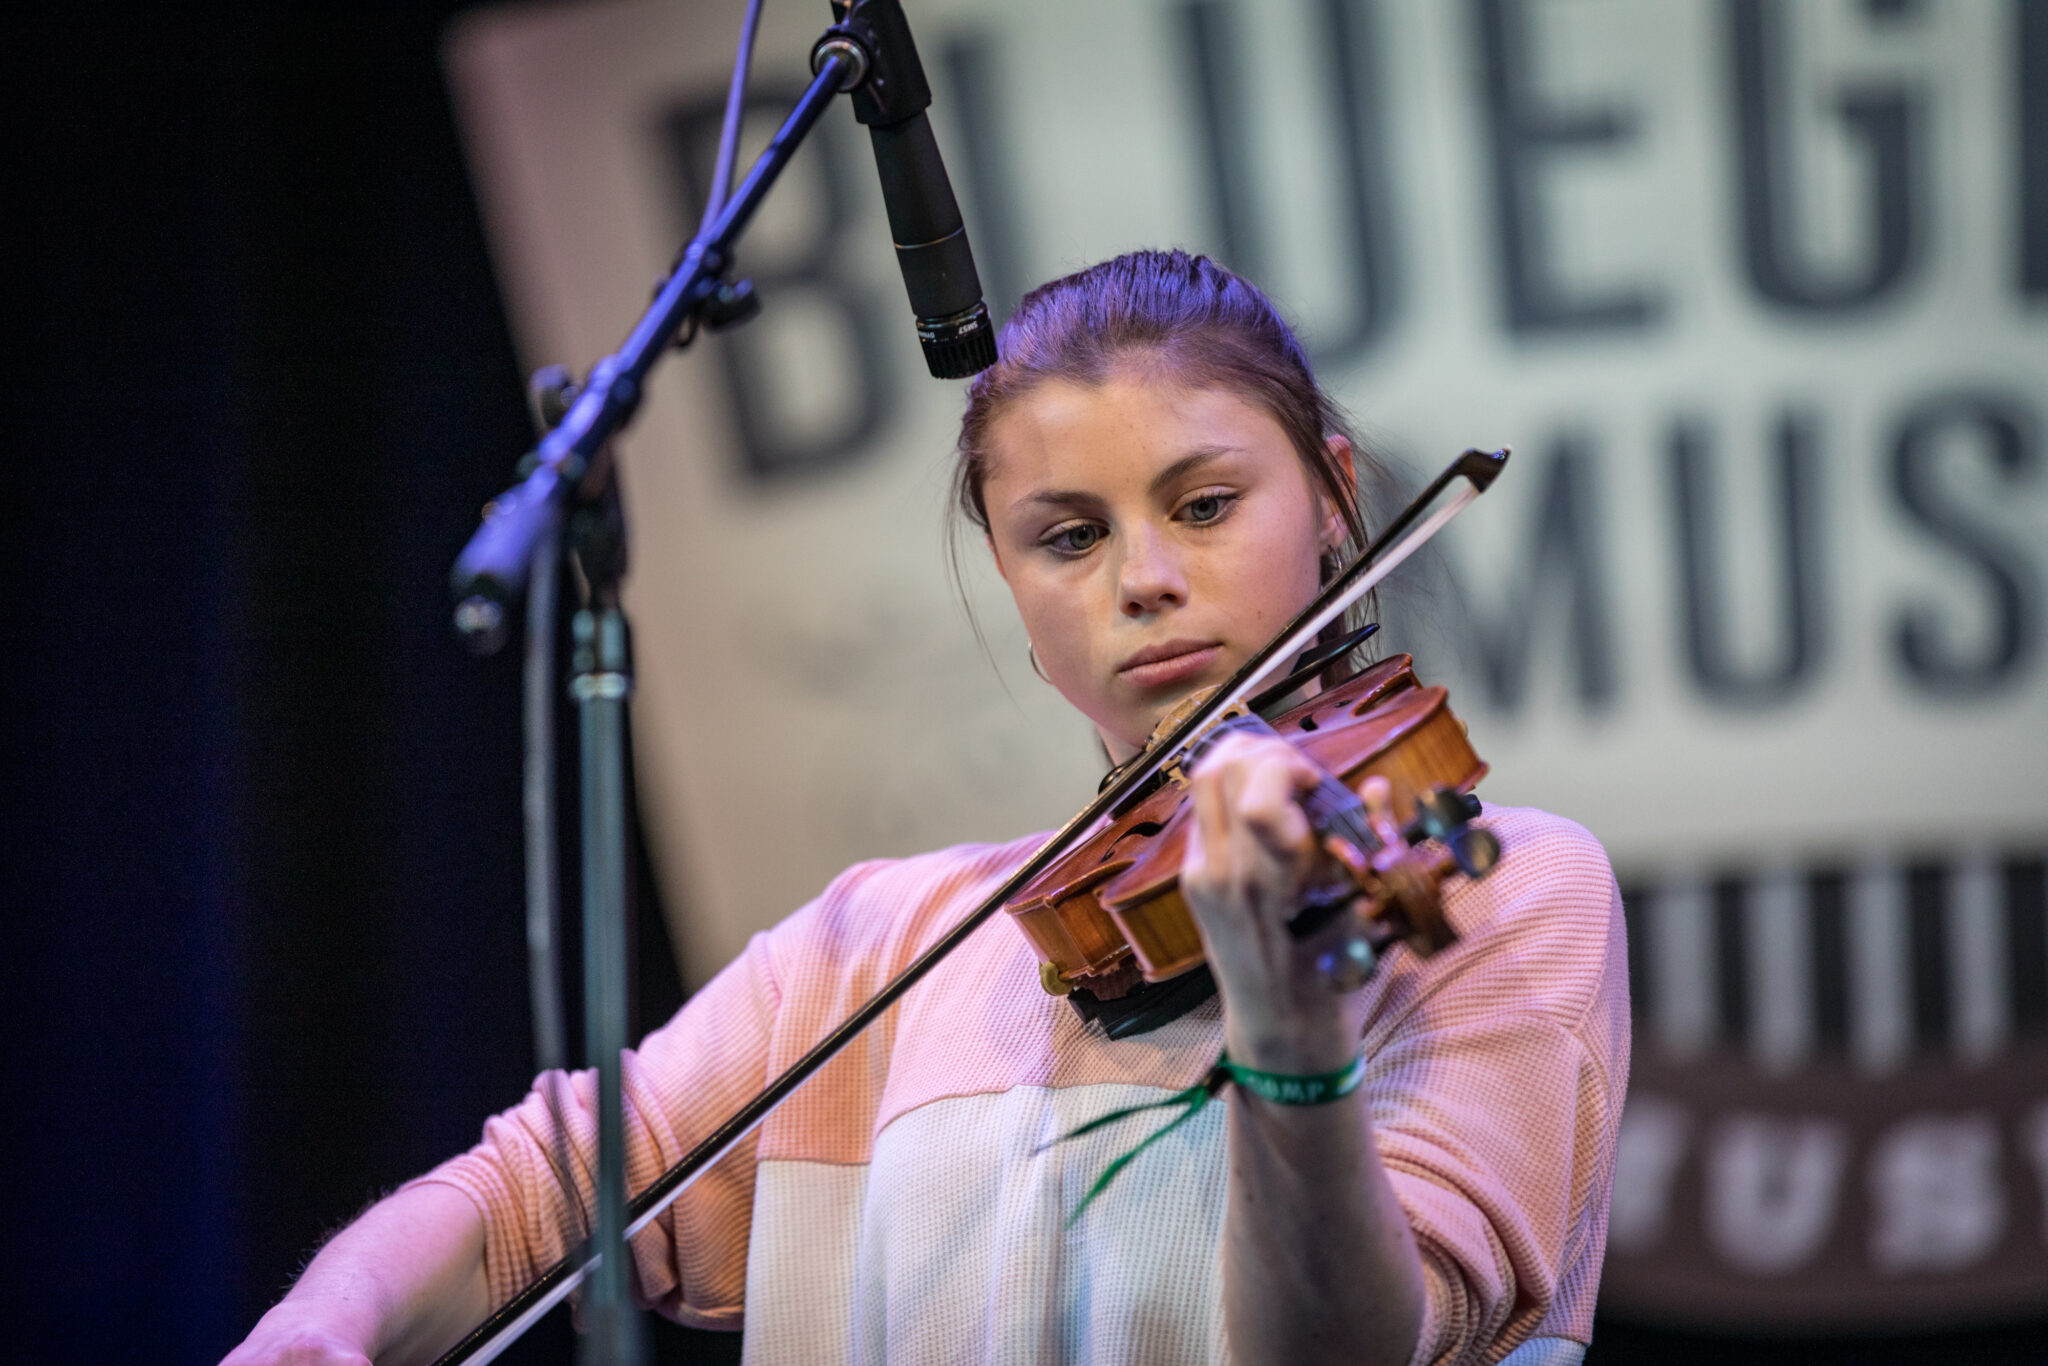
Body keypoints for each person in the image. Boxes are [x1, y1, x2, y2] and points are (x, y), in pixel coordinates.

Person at [222, 250, 1629, 1366]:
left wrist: (1290, 1027)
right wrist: (320, 1325)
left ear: (1332, 494)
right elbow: (535, 1193)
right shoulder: (884, 943)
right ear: (1013, 580)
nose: (1143, 579)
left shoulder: (1502, 891)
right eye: (1069, 536)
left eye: (1204, 506)